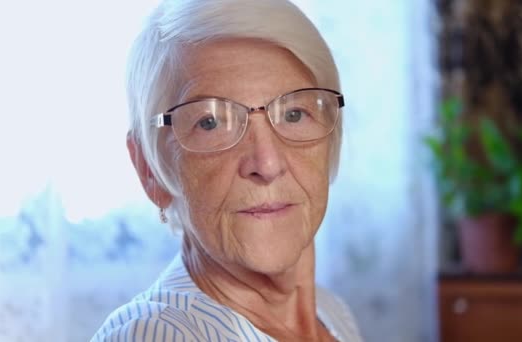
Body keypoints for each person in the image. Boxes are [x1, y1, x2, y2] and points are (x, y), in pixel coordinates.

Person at [91, 0, 362, 341]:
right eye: (211, 122)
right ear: (150, 170)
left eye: (294, 114)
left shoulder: (332, 314)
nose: (267, 163)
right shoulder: (153, 335)